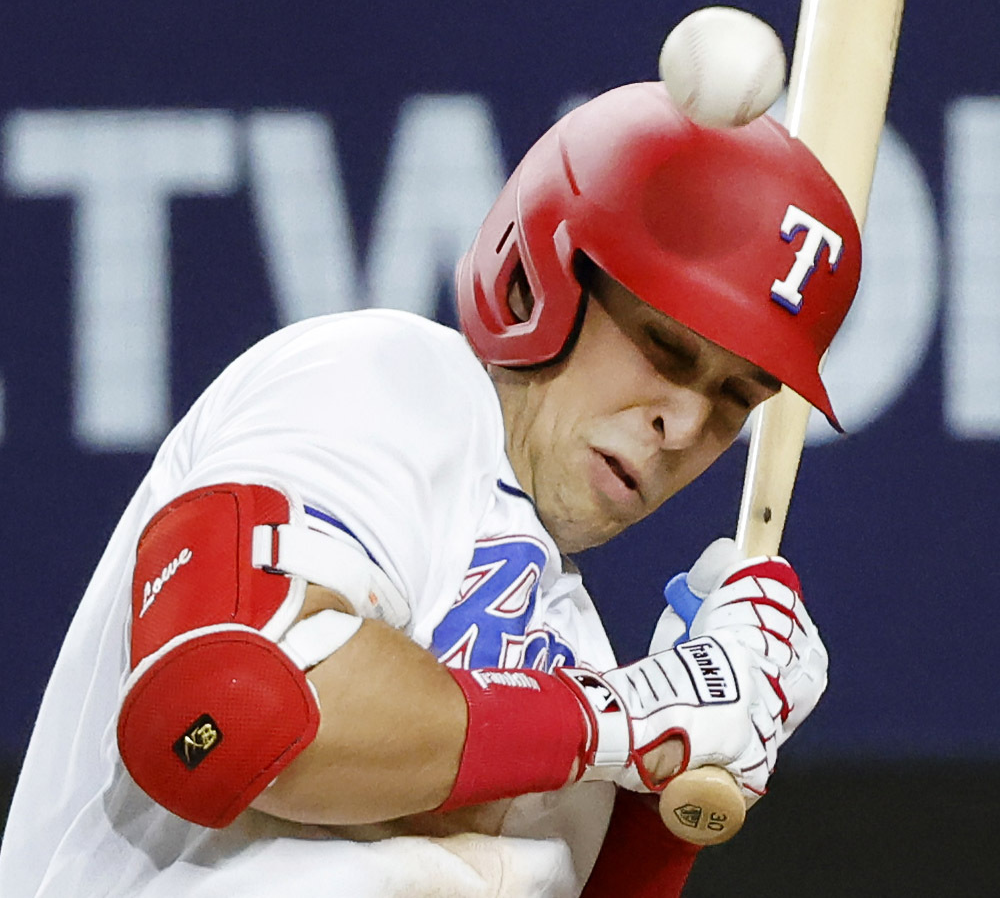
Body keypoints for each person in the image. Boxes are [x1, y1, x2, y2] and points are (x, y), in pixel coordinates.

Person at [0, 80, 861, 897]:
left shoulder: (576, 649)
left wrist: (675, 780)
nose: (684, 422)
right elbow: (219, 717)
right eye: (662, 347)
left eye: (733, 397)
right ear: (534, 280)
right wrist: (625, 718)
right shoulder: (386, 382)